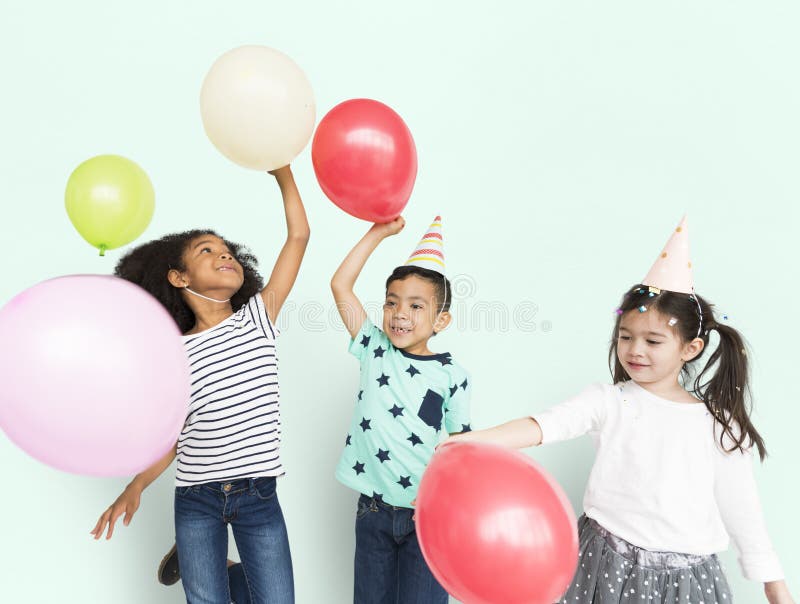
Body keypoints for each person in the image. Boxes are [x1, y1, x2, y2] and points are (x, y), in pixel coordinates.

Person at [448, 217, 793, 603]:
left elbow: (741, 506)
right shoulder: (609, 400)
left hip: (687, 581)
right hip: (604, 562)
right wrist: (472, 441)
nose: (635, 350)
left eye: (653, 340)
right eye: (626, 337)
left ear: (689, 349)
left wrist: (773, 581)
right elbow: (545, 426)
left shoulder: (717, 425)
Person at [90, 166, 309, 604]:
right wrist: (135, 487)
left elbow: (298, 237)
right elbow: (174, 436)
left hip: (257, 493)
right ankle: (212, 565)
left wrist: (283, 173)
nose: (224, 254)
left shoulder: (258, 319)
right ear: (179, 278)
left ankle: (227, 568)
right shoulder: (171, 351)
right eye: (208, 251)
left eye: (228, 251)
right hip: (197, 497)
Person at [331, 216, 471, 603]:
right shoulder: (374, 348)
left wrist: (452, 502)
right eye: (391, 303)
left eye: (415, 305)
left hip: (427, 515)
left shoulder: (452, 375)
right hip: (373, 508)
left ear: (441, 319)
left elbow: (462, 447)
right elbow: (340, 284)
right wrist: (378, 233)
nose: (399, 313)